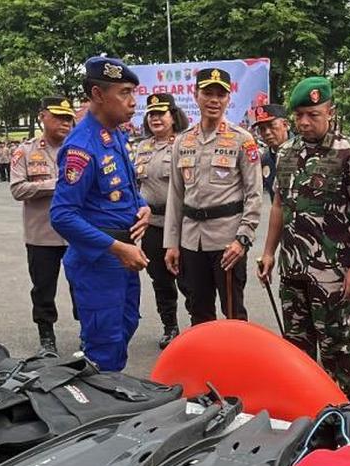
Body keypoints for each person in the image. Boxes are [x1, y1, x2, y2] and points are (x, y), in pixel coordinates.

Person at [257, 76, 350, 400]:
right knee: (296, 345)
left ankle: (343, 407)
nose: (305, 122)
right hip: (292, 268)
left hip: (332, 272)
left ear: (330, 112)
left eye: (314, 115)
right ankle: (304, 403)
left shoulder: (349, 152)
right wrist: (268, 252)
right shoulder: (286, 153)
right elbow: (279, 207)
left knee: (335, 342)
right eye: (299, 116)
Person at [49, 56, 151, 372]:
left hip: (124, 256)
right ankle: (101, 412)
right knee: (104, 345)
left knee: (126, 326)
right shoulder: (82, 146)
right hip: (101, 259)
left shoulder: (114, 135)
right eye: (124, 93)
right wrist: (118, 248)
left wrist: (142, 207)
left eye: (133, 93)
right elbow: (62, 215)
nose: (133, 102)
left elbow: (121, 191)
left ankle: (107, 393)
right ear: (97, 95)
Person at [163, 67, 263, 325]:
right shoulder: (182, 141)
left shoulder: (243, 140)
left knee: (233, 312)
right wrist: (172, 243)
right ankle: (206, 365)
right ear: (196, 95)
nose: (214, 100)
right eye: (208, 93)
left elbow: (254, 194)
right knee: (199, 312)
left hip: (227, 241)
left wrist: (243, 239)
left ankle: (236, 365)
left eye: (221, 94)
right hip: (191, 242)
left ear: (229, 99)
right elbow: (175, 196)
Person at [10, 97, 78, 354]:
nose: (65, 122)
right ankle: (46, 337)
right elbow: (17, 189)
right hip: (42, 235)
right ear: (42, 117)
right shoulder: (25, 152)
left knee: (82, 284)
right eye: (58, 116)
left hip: (76, 233)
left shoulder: (78, 149)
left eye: (68, 117)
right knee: (43, 288)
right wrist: (55, 185)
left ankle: (88, 333)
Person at [133, 93, 189, 348]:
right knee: (160, 279)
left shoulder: (185, 144)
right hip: (152, 223)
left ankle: (197, 328)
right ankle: (170, 327)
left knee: (189, 279)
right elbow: (135, 184)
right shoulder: (142, 147)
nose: (155, 118)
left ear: (173, 116)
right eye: (151, 114)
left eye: (161, 113)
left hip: (180, 222)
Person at [250, 103, 290, 199]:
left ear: (285, 125)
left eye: (271, 126)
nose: (267, 132)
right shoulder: (265, 159)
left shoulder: (304, 152)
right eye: (262, 129)